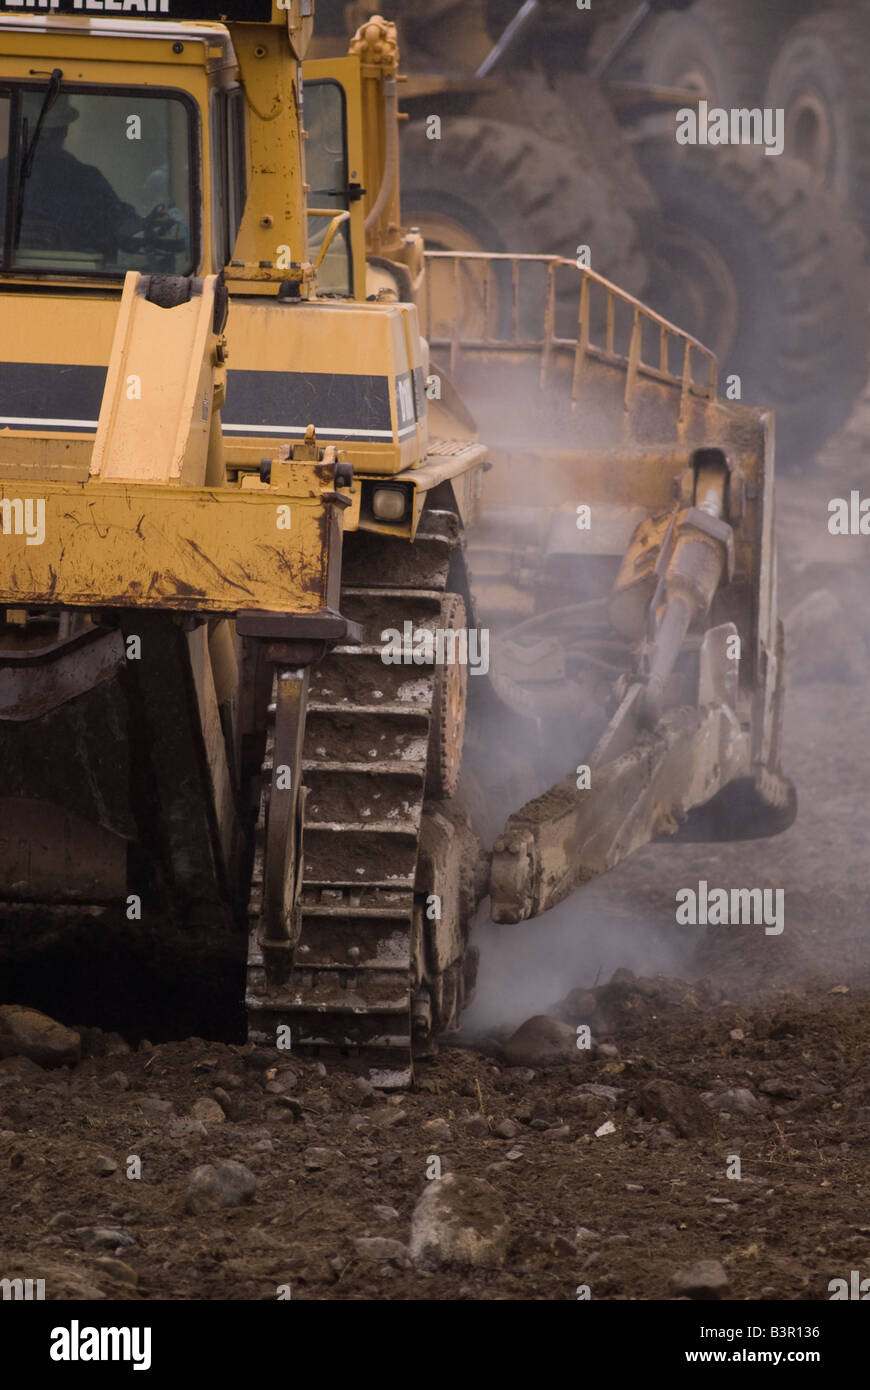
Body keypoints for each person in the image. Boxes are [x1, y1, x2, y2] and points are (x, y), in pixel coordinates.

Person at [0, 94, 143, 260]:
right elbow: (118, 225)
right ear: (64, 131)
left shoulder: (2, 173)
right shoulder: (87, 180)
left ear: (21, 130)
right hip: (78, 279)